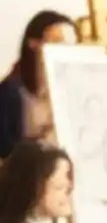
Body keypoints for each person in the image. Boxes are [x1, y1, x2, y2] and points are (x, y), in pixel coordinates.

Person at [0, 11, 77, 159]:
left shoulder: (74, 89)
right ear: (34, 44)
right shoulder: (10, 92)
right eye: (58, 41)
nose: (67, 50)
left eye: (71, 44)